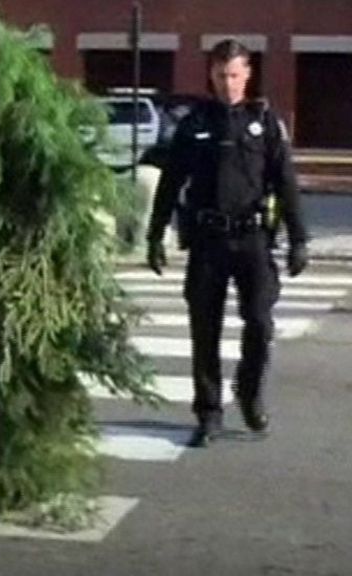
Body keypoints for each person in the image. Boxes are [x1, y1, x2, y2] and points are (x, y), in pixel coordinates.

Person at [145, 39, 309, 448]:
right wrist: (155, 233)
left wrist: (298, 239)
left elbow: (286, 182)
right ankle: (209, 413)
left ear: (247, 74)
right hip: (207, 241)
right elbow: (170, 181)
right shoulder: (194, 122)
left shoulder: (264, 122)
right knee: (205, 330)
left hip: (252, 238)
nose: (228, 83)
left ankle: (249, 392)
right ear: (211, 75)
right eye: (221, 75)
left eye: (235, 75)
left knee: (259, 321)